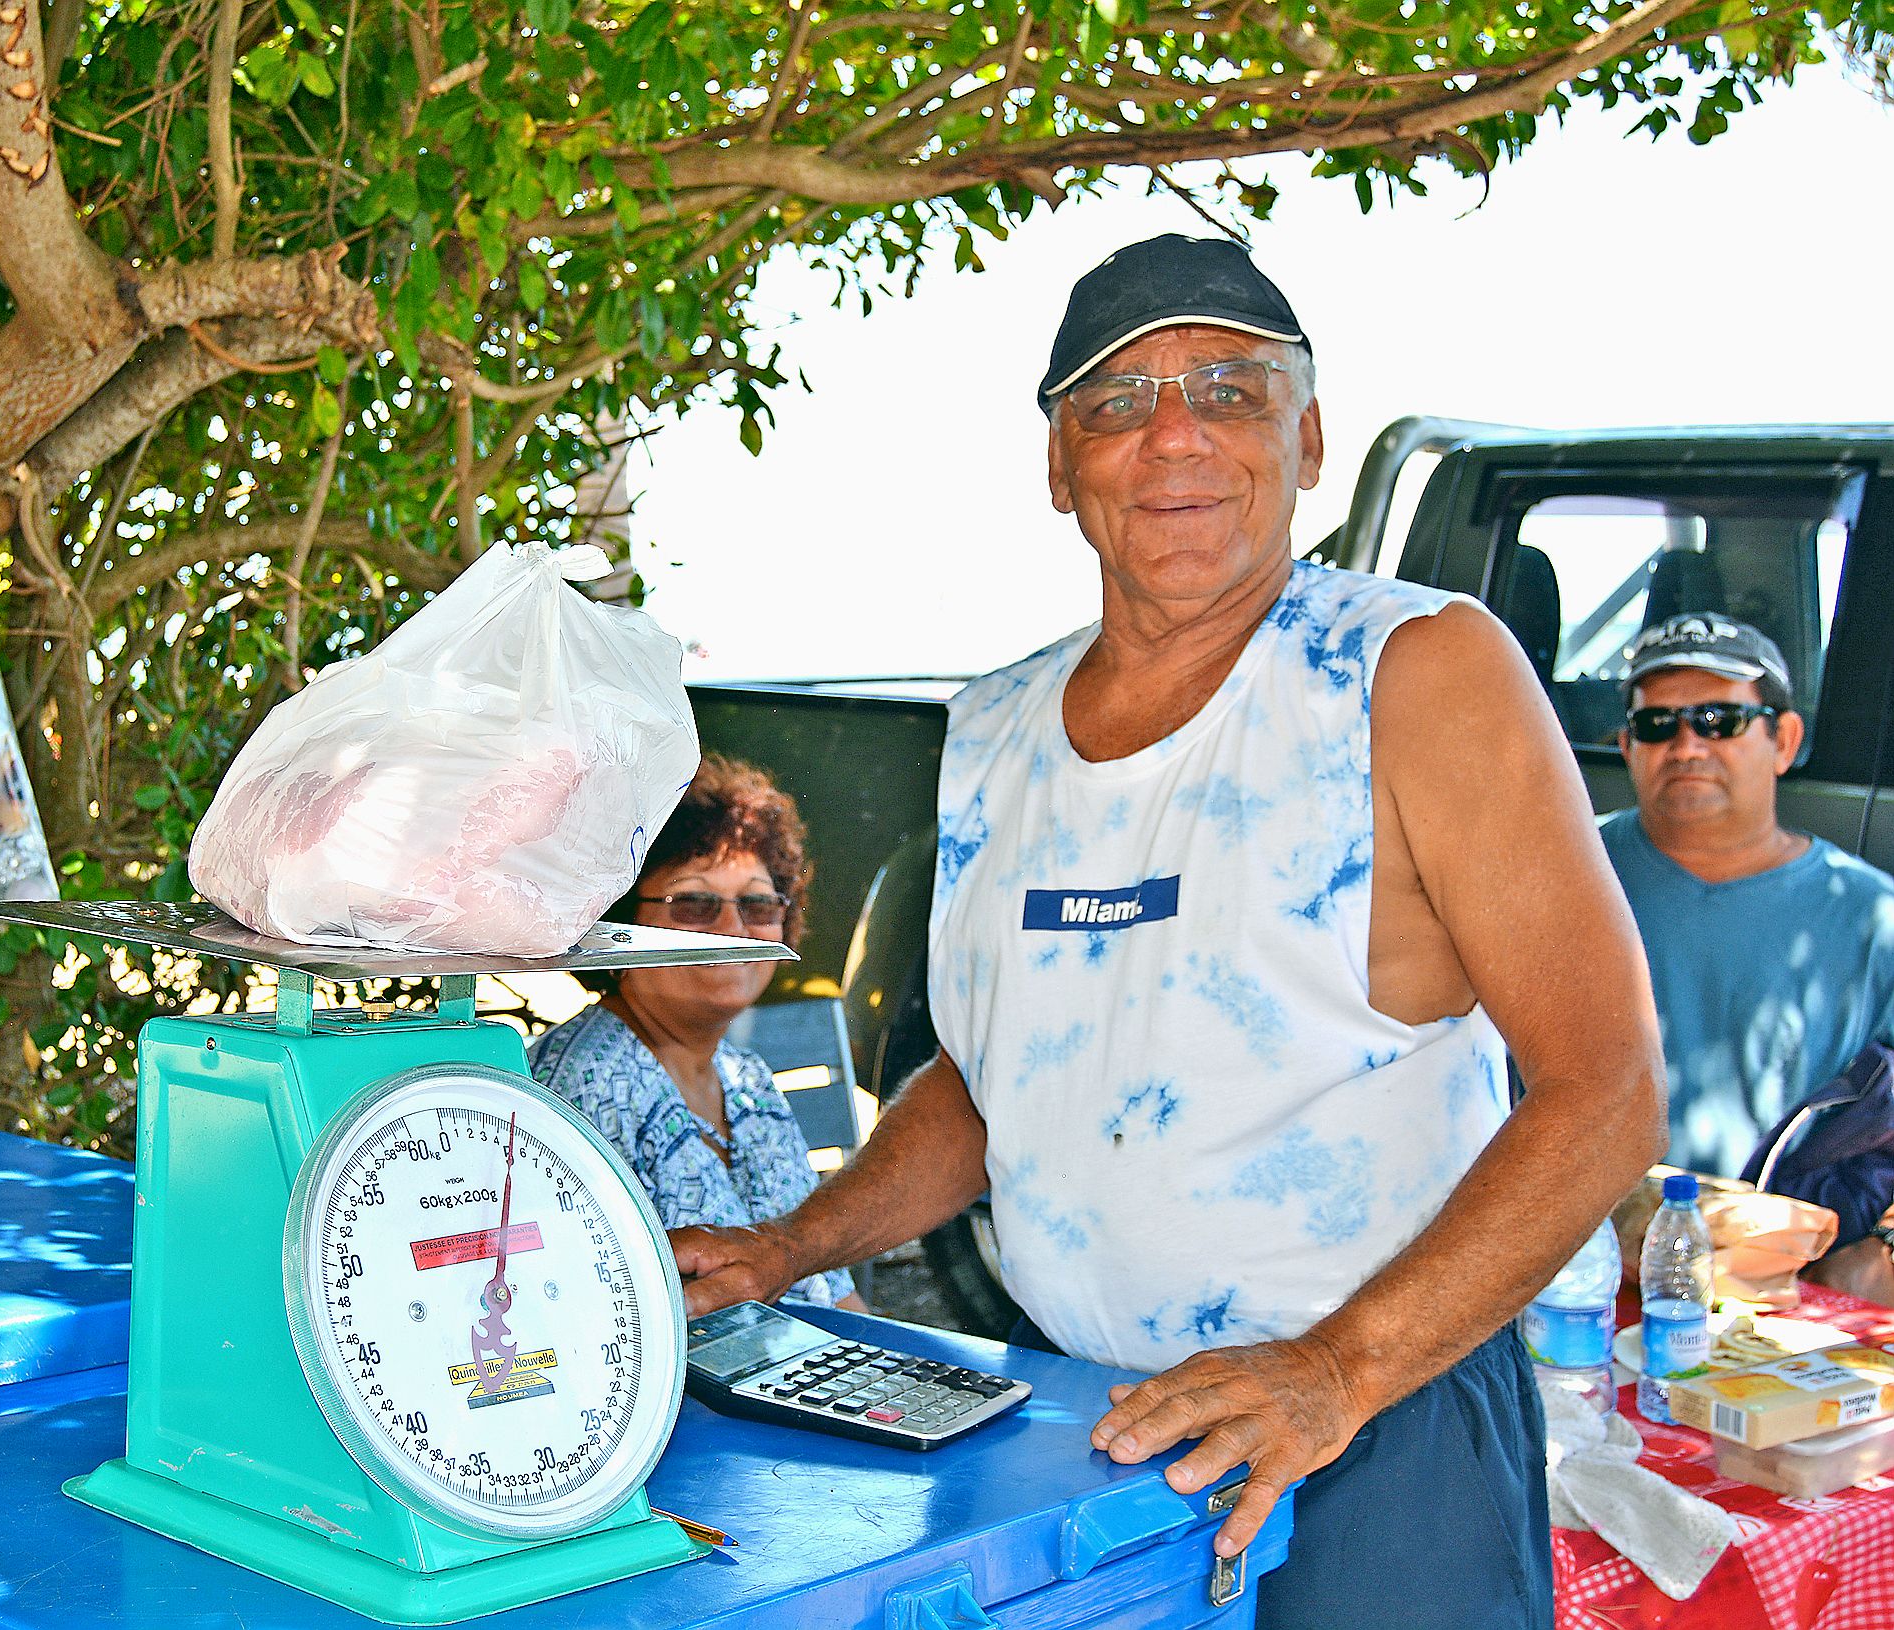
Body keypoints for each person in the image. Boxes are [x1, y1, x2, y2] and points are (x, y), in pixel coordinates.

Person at [670, 234, 1668, 1629]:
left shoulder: (1412, 671)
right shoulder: (994, 726)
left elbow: (1608, 1085)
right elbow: (984, 1078)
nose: (1176, 434)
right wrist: (789, 1245)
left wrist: (1335, 1368)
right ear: (1058, 465)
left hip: (1372, 1430)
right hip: (1087, 1435)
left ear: (1308, 437)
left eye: (1229, 388)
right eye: (1116, 402)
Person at [1602, 612, 1894, 1299]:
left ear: (1782, 740)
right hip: (1569, 1285)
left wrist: (1879, 1249)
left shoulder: (1871, 920)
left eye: (1718, 720)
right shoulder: (1558, 875)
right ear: (1625, 745)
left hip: (1788, 1302)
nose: (1686, 745)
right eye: (1657, 724)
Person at [529, 754, 863, 1309]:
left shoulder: (746, 1076)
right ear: (619, 920)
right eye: (694, 903)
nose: (732, 930)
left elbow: (835, 1292)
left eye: (757, 904)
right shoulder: (581, 1087)